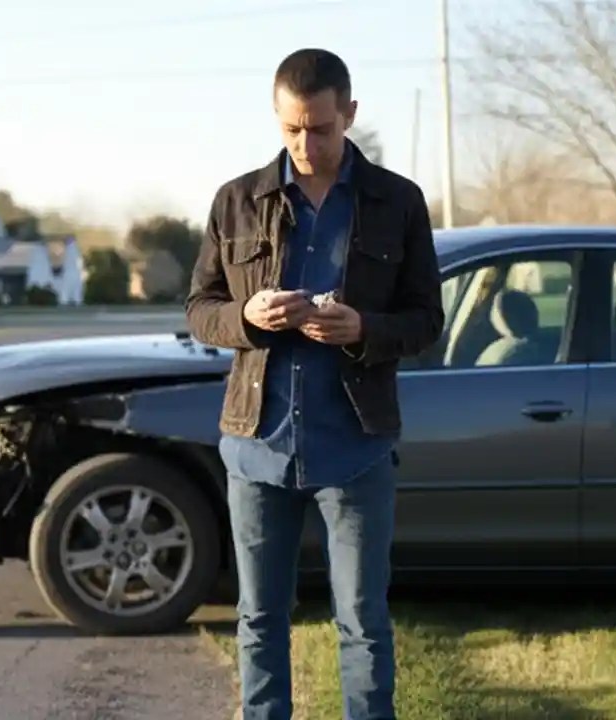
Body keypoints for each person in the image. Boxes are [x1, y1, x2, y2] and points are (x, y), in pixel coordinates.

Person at [184, 48, 443, 720]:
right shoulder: (235, 201)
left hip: (355, 446)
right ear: (277, 117)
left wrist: (363, 327)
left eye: (321, 129)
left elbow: (426, 322)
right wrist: (244, 315)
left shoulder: (399, 201)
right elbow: (197, 310)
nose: (306, 144)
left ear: (349, 114)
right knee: (259, 620)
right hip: (256, 447)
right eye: (292, 128)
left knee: (362, 624)